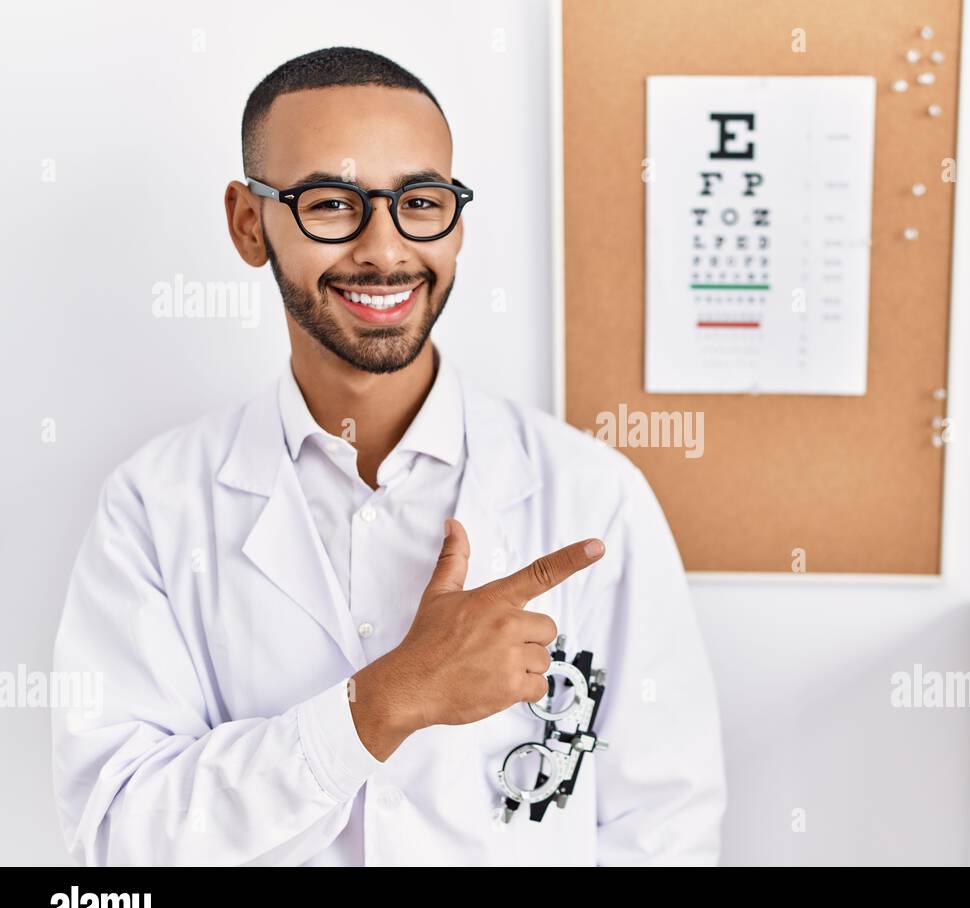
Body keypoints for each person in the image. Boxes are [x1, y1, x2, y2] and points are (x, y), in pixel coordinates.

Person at [49, 46, 726, 866]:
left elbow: (665, 831)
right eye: (331, 203)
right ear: (247, 222)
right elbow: (119, 840)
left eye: (421, 200)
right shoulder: (155, 507)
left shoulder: (593, 496)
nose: (385, 249)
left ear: (457, 221)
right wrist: (380, 706)